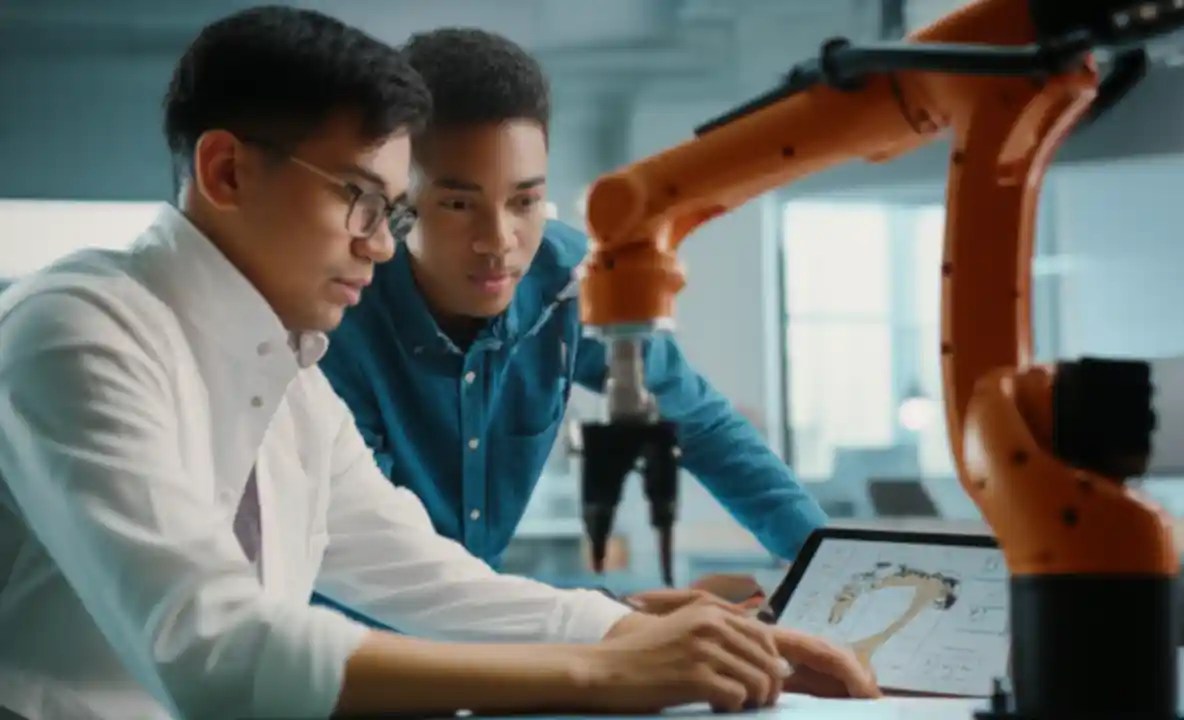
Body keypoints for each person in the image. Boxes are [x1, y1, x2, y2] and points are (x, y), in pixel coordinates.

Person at [0, 7, 878, 719]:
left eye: (391, 212)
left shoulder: (289, 380)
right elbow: (218, 654)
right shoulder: (78, 329)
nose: (383, 247)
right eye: (361, 201)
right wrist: (610, 672)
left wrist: (637, 633)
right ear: (227, 171)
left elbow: (427, 576)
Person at [318, 27, 829, 607]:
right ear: (398, 202)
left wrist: (832, 566)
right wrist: (621, 622)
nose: (499, 241)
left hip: (488, 622)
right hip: (351, 633)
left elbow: (703, 427)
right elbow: (386, 565)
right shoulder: (337, 323)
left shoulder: (569, 279)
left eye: (525, 201)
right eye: (459, 204)